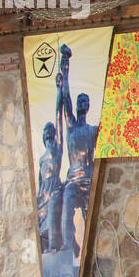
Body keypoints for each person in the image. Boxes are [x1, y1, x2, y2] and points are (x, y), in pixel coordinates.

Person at [56, 44, 97, 261]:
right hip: (72, 180)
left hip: (88, 180)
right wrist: (66, 66)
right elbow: (65, 99)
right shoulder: (71, 125)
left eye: (85, 101)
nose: (81, 103)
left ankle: (92, 252)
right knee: (65, 212)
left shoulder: (92, 130)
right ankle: (68, 247)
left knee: (92, 220)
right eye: (80, 101)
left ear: (88, 106)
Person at [36, 121, 63, 252]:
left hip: (53, 188)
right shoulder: (41, 159)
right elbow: (40, 179)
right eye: (46, 129)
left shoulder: (57, 149)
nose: (49, 131)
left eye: (51, 129)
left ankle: (54, 246)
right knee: (40, 223)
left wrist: (61, 99)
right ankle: (44, 248)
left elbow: (60, 127)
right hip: (43, 192)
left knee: (52, 218)